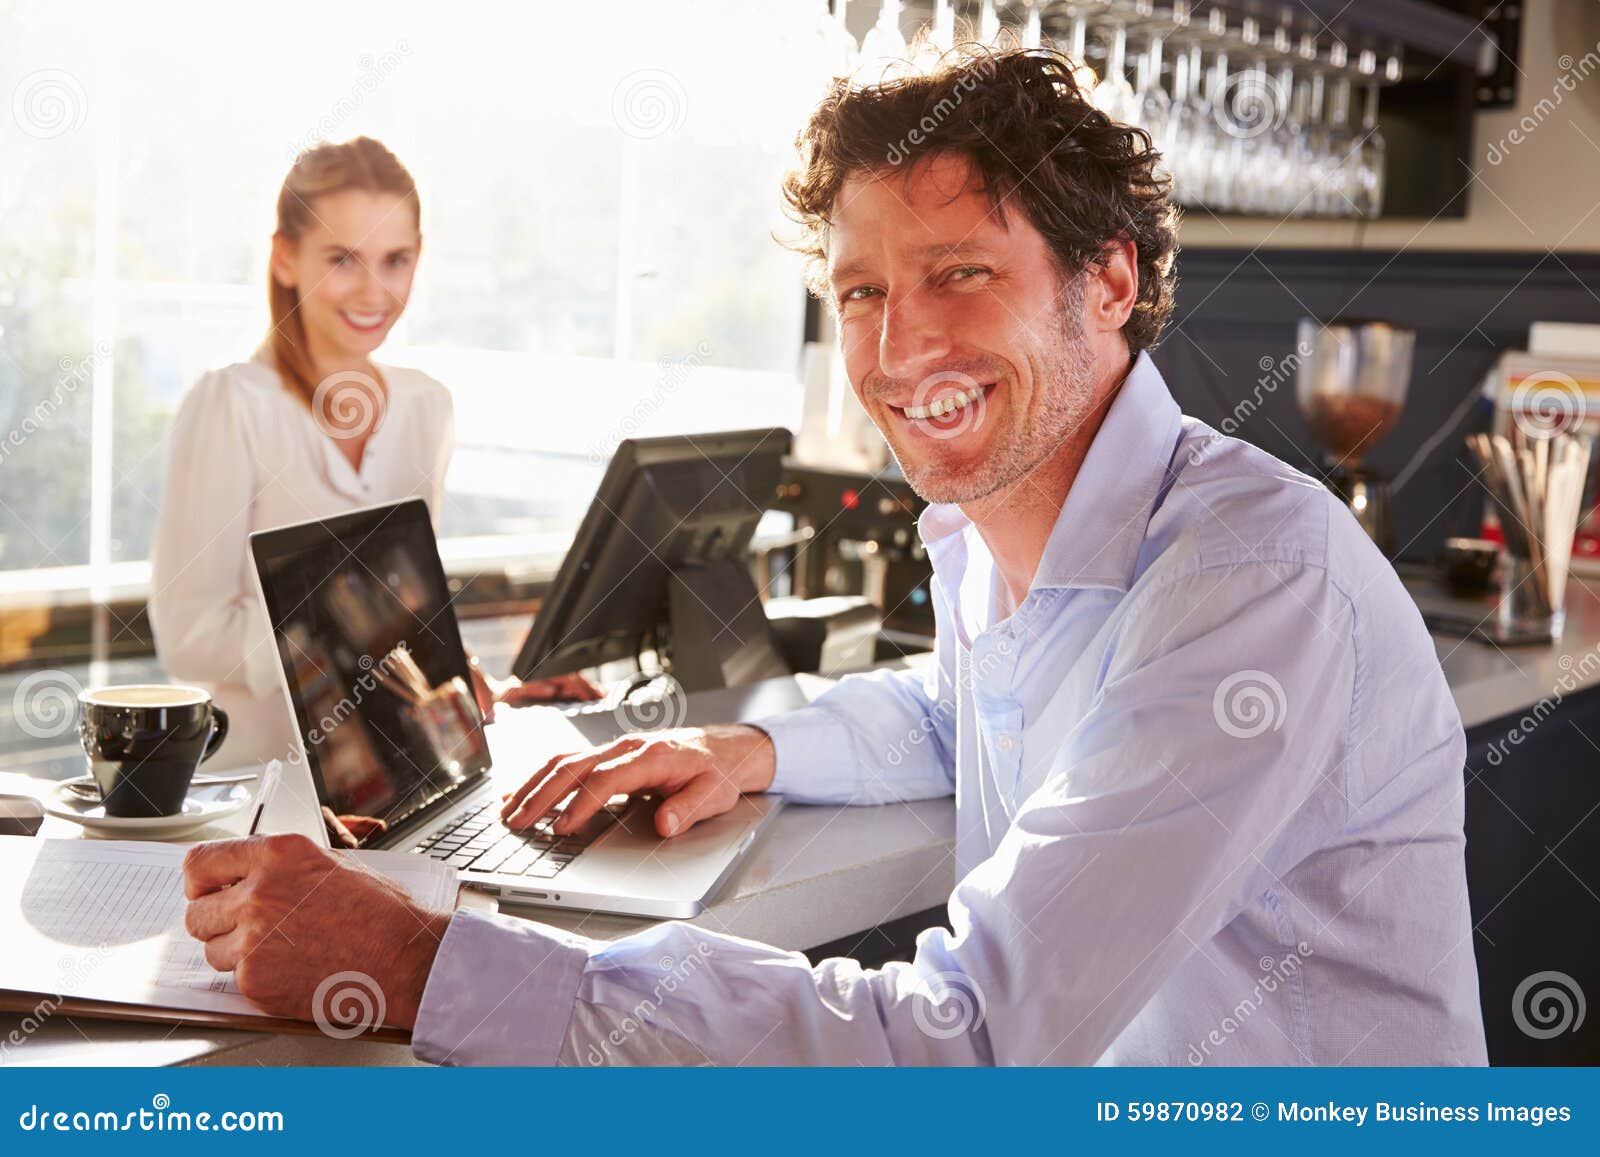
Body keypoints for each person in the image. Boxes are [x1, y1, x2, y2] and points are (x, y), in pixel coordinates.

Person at [180, 48, 1487, 1065]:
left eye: (959, 272)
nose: (899, 347)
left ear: (1108, 281)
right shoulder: (1005, 534)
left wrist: (426, 965)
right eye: (862, 290)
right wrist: (746, 748)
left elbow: (967, 1043)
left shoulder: (1250, 580)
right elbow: (963, 710)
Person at [151, 138, 593, 770]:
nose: (373, 291)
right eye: (343, 260)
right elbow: (190, 638)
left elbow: (407, 609)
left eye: (395, 260)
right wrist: (355, 635)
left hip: (400, 783)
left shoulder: (425, 408)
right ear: (285, 258)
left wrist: (467, 677)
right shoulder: (231, 404)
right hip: (258, 788)